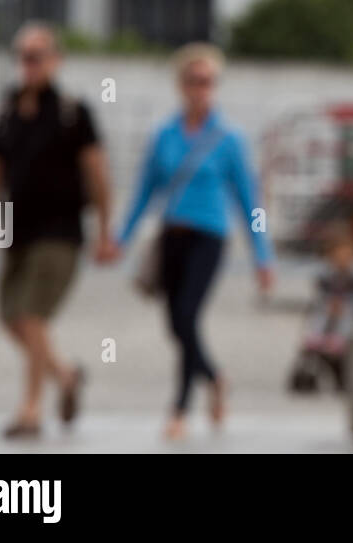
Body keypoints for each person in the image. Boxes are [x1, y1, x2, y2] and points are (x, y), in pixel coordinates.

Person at [110, 43, 275, 441]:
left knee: (187, 314)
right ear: (181, 85)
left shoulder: (229, 139)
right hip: (171, 236)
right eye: (195, 81)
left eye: (209, 81)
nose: (202, 88)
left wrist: (262, 256)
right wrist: (121, 237)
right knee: (174, 324)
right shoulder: (164, 135)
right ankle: (215, 377)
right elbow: (144, 191)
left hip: (209, 237)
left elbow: (249, 201)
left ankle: (180, 408)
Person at [0, 21, 113, 439]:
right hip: (17, 231)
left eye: (35, 56)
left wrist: (105, 231)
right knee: (8, 316)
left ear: (55, 60)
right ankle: (65, 377)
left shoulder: (72, 112)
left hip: (60, 232)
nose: (27, 65)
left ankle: (30, 410)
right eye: (22, 56)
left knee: (31, 318)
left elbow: (98, 174)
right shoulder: (9, 109)